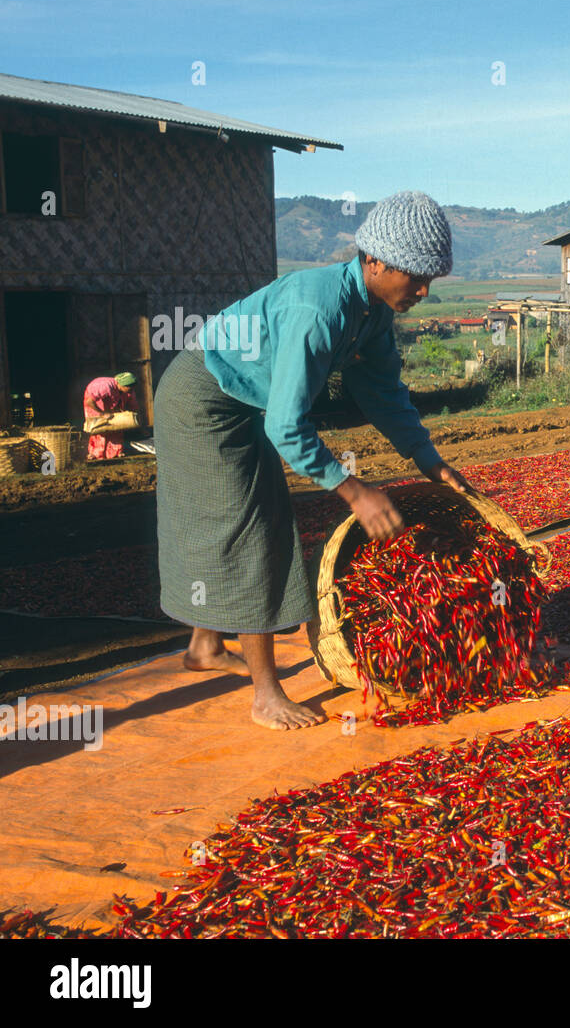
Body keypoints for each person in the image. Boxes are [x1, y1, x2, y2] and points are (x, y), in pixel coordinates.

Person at [153, 191, 469, 731]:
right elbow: (286, 426)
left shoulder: (372, 313)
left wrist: (427, 459)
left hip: (240, 400)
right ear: (377, 261)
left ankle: (205, 645)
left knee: (260, 518)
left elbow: (383, 393)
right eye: (416, 276)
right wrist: (354, 490)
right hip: (201, 400)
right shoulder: (318, 308)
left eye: (430, 280)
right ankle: (266, 694)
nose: (423, 290)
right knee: (247, 531)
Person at [83, 372, 139, 460]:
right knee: (100, 426)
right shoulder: (105, 386)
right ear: (122, 386)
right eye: (129, 388)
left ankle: (116, 452)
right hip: (95, 401)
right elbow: (89, 401)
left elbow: (134, 405)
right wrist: (102, 413)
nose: (131, 390)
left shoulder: (129, 390)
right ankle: (95, 454)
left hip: (112, 400)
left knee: (117, 425)